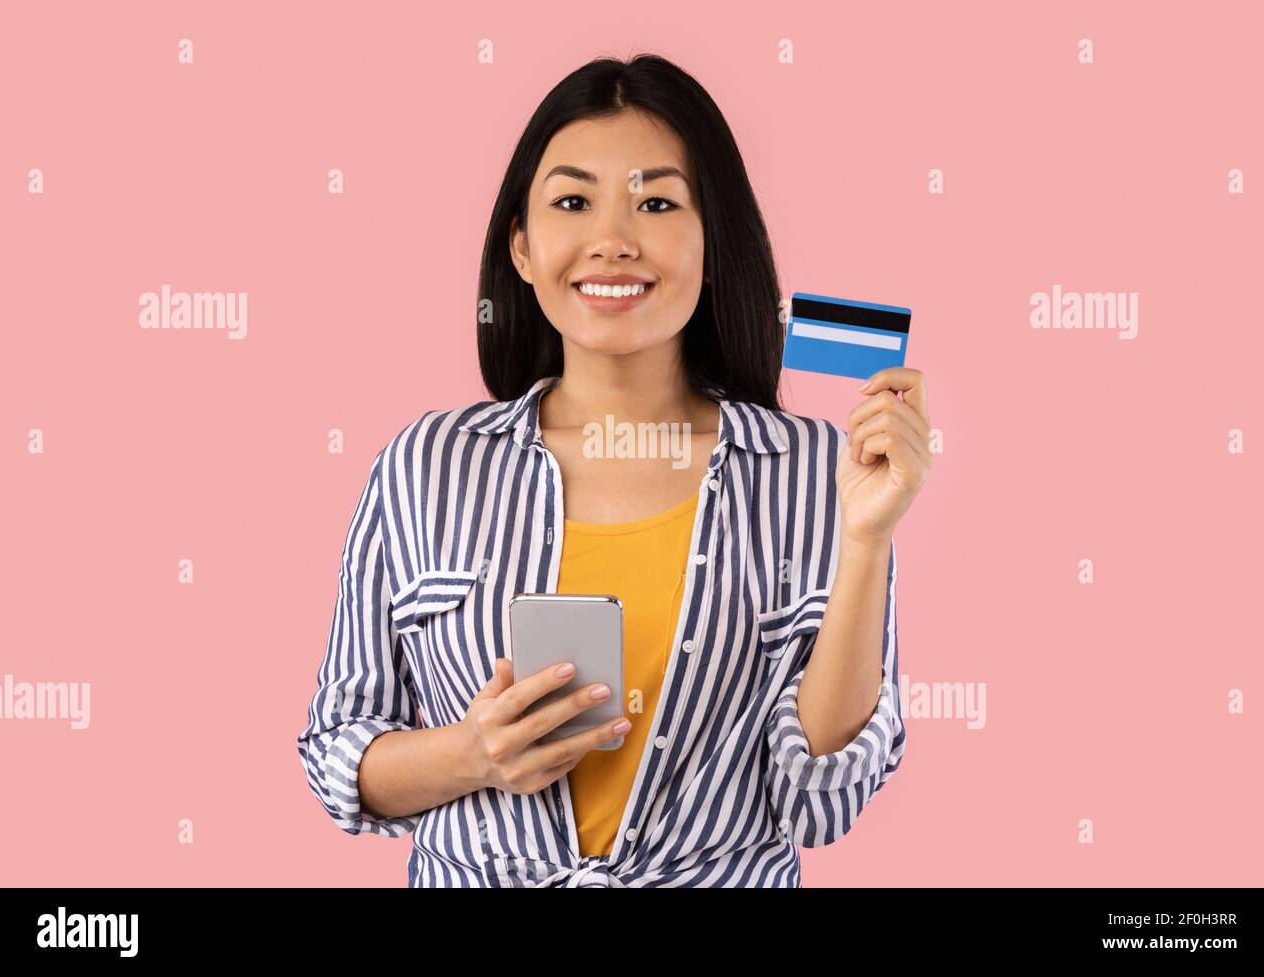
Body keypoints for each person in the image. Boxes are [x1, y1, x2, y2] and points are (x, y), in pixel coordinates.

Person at [296, 52, 932, 887]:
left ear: (712, 244)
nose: (613, 240)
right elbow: (337, 749)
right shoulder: (425, 465)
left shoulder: (820, 470)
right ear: (522, 247)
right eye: (572, 201)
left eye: (658, 201)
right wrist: (472, 754)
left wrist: (865, 538)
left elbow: (821, 801)